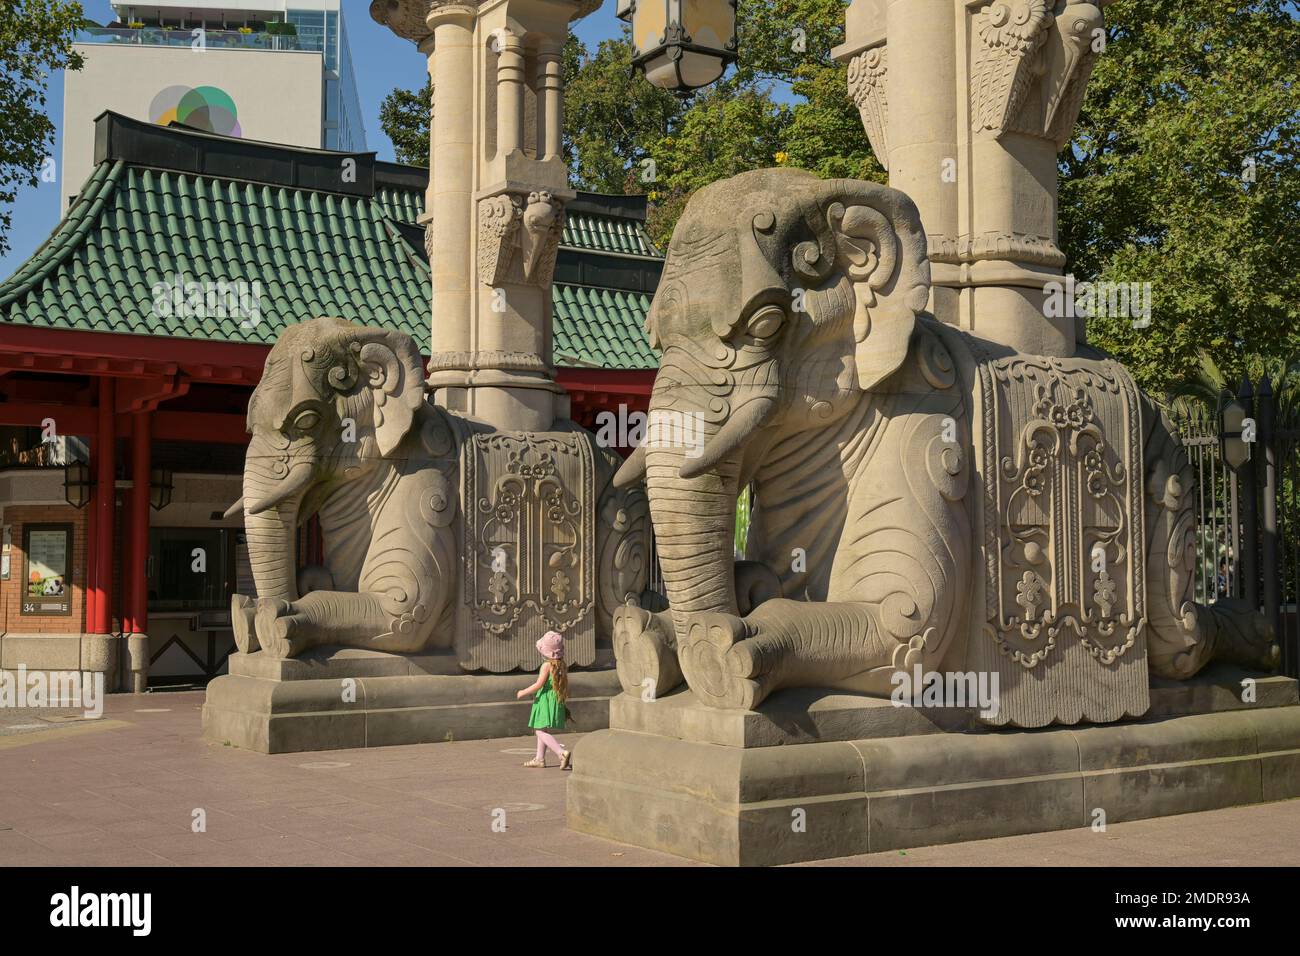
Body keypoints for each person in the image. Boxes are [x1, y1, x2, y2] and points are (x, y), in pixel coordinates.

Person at [516, 630, 571, 770]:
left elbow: (539, 684)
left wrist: (523, 692)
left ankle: (561, 752)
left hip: (545, 699)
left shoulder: (547, 665)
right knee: (542, 728)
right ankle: (539, 759)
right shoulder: (561, 664)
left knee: (539, 731)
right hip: (555, 698)